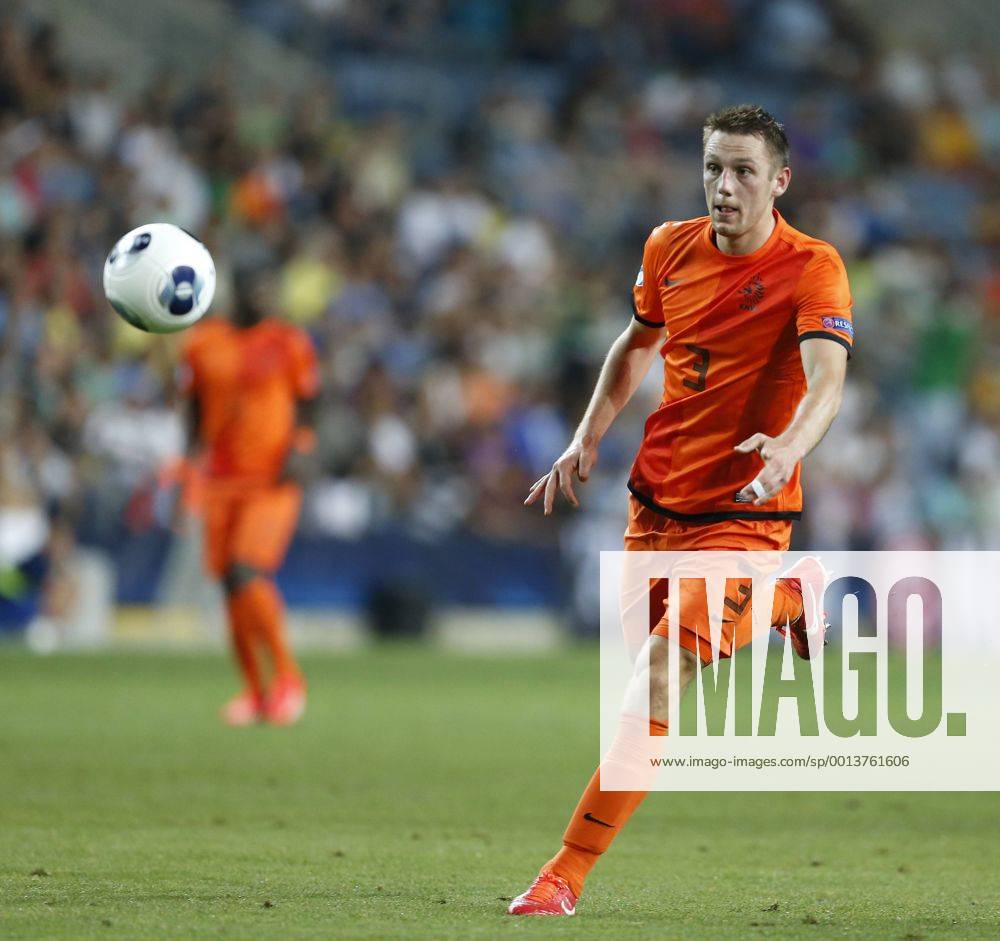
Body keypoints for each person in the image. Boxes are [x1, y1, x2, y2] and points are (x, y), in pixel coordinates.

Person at [508, 104, 854, 916]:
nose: (724, 187)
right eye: (712, 169)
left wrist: (789, 447)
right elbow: (636, 345)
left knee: (660, 677)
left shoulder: (813, 267)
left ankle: (564, 874)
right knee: (656, 664)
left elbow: (828, 381)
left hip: (747, 509)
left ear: (780, 181)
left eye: (741, 172)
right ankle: (792, 599)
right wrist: (584, 438)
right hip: (655, 499)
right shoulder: (668, 246)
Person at [179, 268, 319, 726]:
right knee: (229, 586)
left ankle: (288, 679)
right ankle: (256, 693)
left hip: (272, 478)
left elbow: (313, 402)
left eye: (270, 285)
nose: (264, 294)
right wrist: (187, 468)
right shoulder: (203, 343)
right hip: (220, 478)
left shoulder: (289, 343)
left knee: (245, 569)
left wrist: (303, 445)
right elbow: (194, 410)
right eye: (256, 284)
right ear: (237, 289)